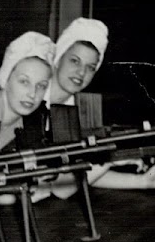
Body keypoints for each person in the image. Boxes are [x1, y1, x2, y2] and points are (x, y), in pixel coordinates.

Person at [38, 18, 155, 198]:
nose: (81, 73)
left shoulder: (82, 108)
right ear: (58, 58)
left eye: (91, 67)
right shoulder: (30, 97)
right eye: (75, 61)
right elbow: (61, 190)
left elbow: (80, 173)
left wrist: (142, 181)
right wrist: (111, 159)